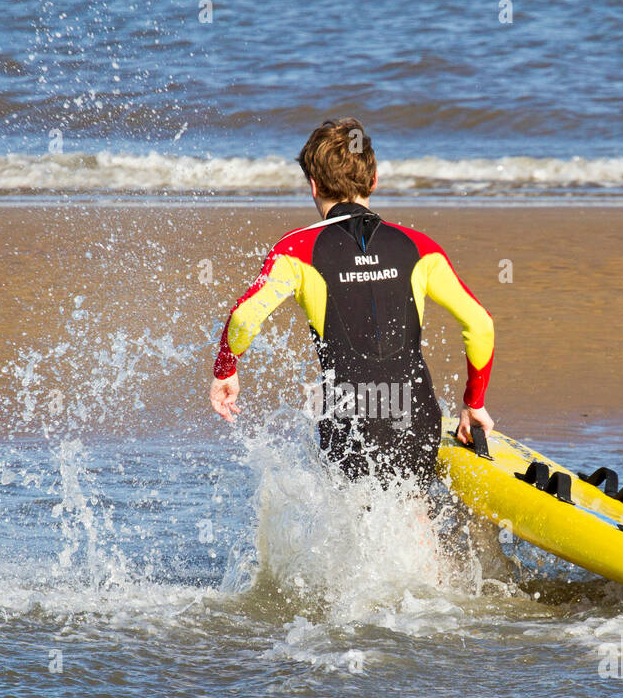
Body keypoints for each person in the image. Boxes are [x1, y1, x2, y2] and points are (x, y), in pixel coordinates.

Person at [209, 117, 494, 491]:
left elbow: (245, 316)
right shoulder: (419, 246)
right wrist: (473, 402)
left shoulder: (295, 250)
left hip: (349, 418)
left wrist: (225, 368)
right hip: (417, 413)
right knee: (415, 516)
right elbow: (480, 324)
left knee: (356, 525)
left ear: (313, 185)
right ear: (374, 181)